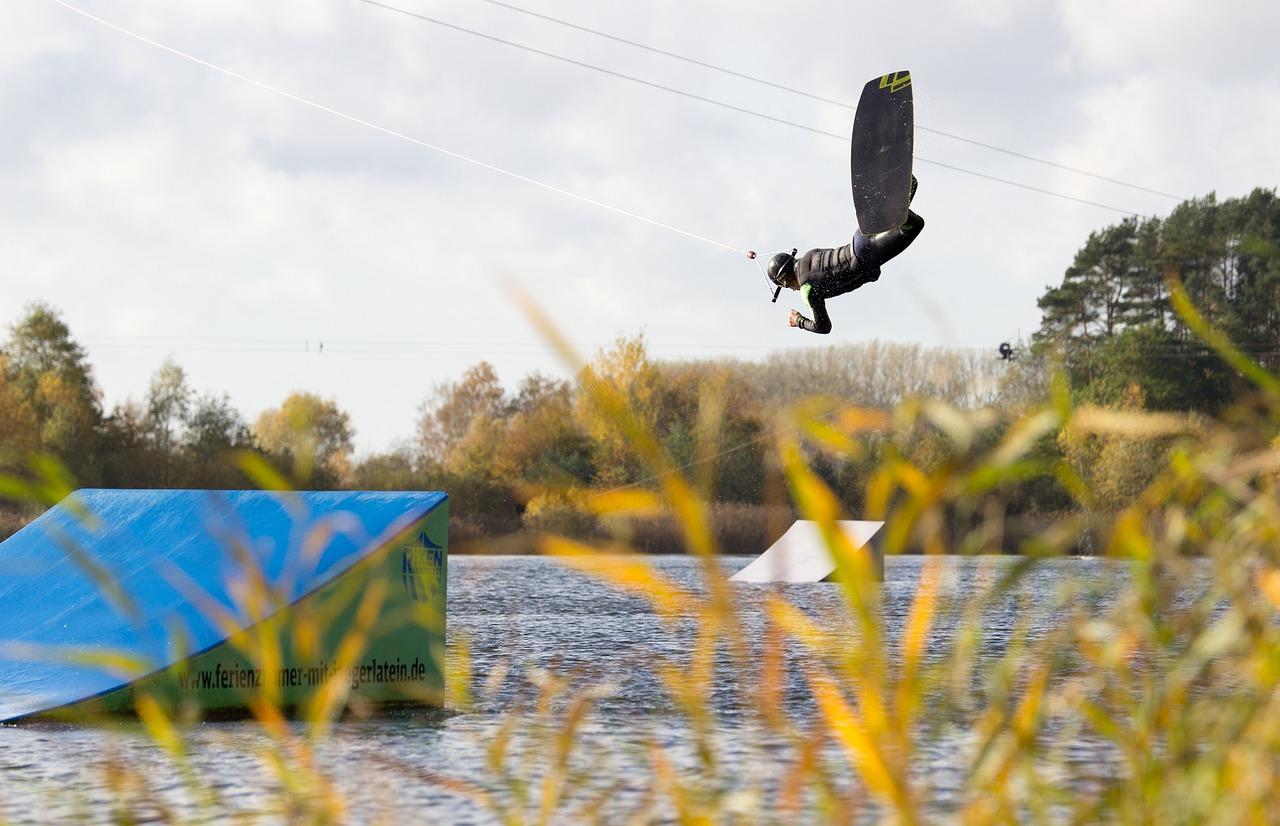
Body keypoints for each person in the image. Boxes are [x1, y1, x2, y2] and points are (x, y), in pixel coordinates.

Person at [764, 176, 923, 334]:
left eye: (786, 286)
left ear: (785, 280)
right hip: (860, 239)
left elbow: (823, 327)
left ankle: (891, 205)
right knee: (905, 206)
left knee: (913, 225)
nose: (792, 289)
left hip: (867, 254)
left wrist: (798, 320)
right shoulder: (809, 256)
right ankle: (894, 189)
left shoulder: (807, 289)